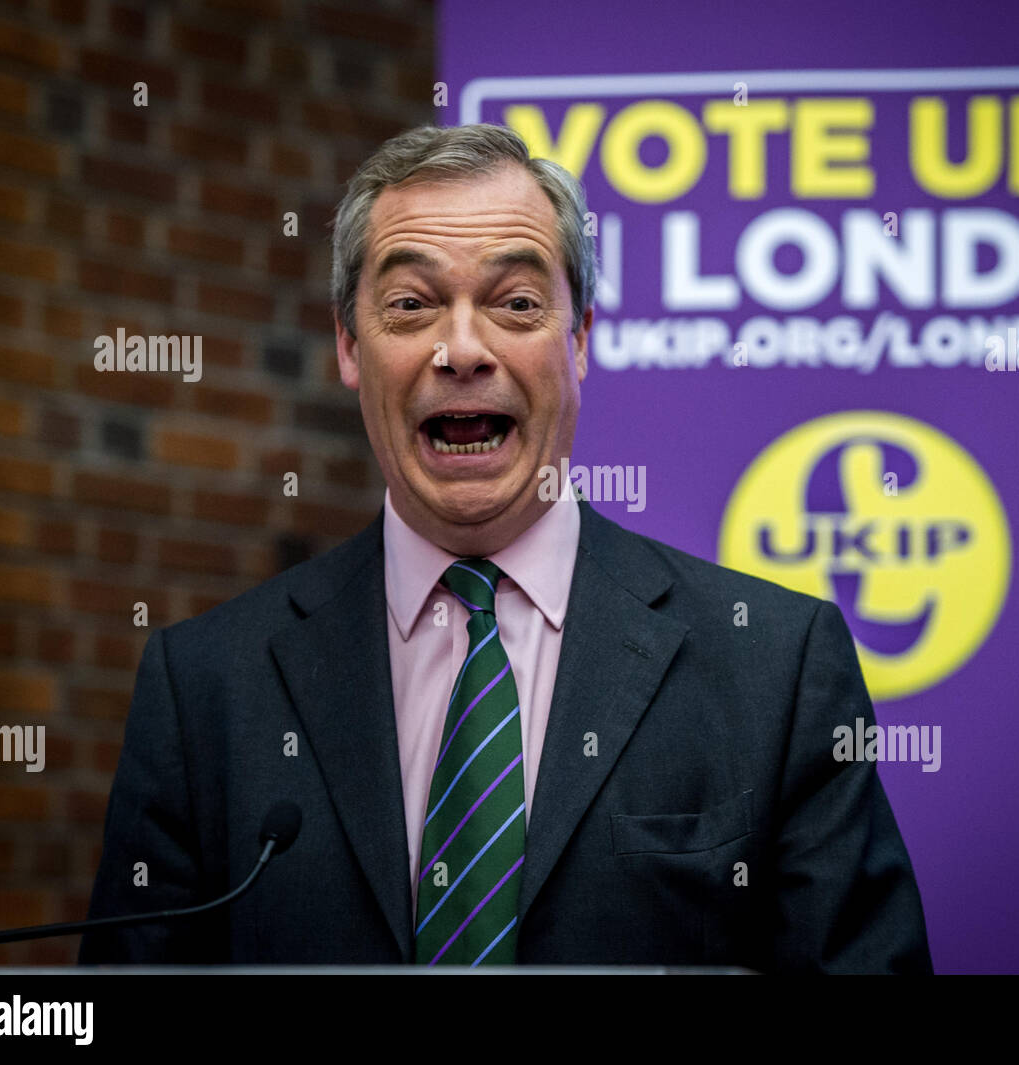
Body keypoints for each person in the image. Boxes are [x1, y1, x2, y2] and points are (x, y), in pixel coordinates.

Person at [79, 123, 933, 973]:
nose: (462, 350)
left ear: (582, 340)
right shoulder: (204, 690)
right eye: (411, 305)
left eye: (517, 303)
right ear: (348, 345)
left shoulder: (774, 667)